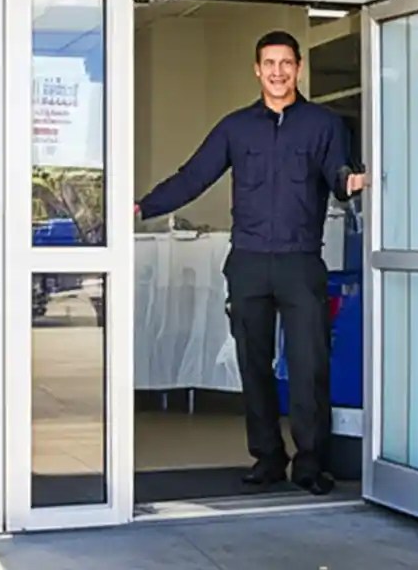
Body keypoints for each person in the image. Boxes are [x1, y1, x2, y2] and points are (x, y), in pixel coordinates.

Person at [134, 30, 365, 496]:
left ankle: (310, 463)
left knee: (309, 367)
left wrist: (350, 182)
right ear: (257, 70)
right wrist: (142, 207)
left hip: (301, 262)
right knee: (253, 365)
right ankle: (267, 458)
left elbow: (337, 173)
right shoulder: (235, 128)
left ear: (298, 68)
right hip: (249, 262)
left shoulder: (323, 125)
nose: (278, 72)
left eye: (286, 63)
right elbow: (194, 175)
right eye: (269, 63)